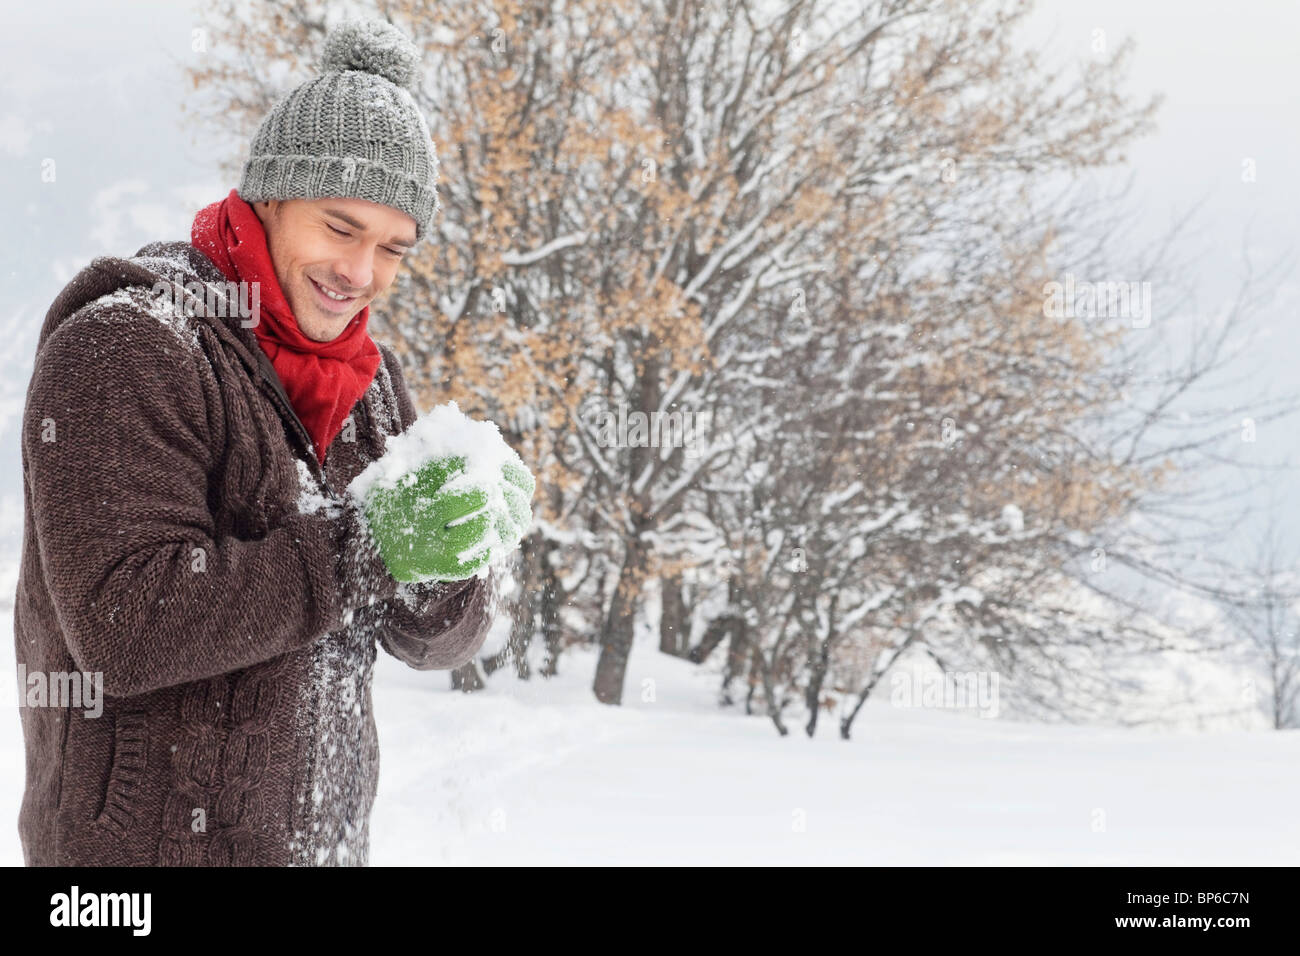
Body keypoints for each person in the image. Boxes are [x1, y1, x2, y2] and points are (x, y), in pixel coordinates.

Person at [14, 18, 526, 866]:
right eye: (339, 227)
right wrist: (367, 548)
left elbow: (425, 641)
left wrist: (457, 556)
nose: (361, 273)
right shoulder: (130, 345)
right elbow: (124, 626)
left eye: (393, 248)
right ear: (270, 197)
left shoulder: (367, 385)